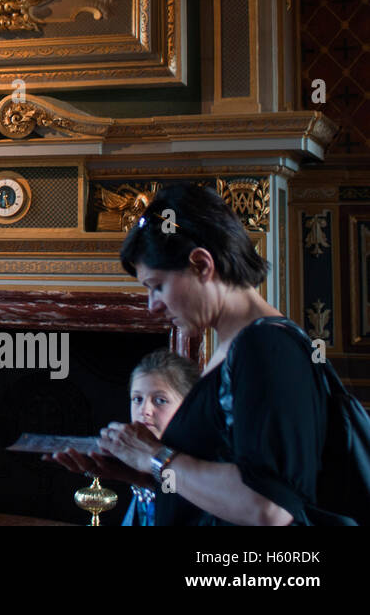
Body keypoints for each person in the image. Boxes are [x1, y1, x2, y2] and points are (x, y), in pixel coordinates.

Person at [48, 182, 326, 525]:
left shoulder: (266, 348)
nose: (152, 307)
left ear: (201, 265)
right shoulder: (237, 346)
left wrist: (153, 456)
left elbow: (268, 508)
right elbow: (227, 481)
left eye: (157, 286)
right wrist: (142, 474)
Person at [121, 349, 199, 526]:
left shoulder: (193, 464)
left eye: (160, 400)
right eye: (137, 399)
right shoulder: (139, 456)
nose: (144, 411)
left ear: (188, 407)